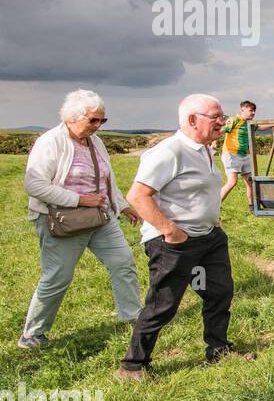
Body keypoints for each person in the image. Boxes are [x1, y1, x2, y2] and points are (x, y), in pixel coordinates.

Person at [118, 94, 255, 381]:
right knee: (164, 303)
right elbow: (137, 196)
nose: (223, 121)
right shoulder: (169, 151)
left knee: (218, 292)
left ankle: (218, 349)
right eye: (216, 117)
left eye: (223, 116)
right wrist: (171, 231)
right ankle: (133, 366)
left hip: (209, 239)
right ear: (193, 120)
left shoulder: (205, 148)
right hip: (175, 244)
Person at [20, 90, 143, 350]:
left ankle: (133, 317)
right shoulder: (50, 142)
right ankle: (32, 335)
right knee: (58, 277)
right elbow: (34, 184)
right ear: (72, 118)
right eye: (93, 121)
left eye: (102, 121)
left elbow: (105, 179)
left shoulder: (94, 141)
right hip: (62, 220)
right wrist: (79, 199)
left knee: (123, 263)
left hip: (101, 217)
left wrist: (121, 205)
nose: (98, 126)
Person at [217, 100, 256, 206]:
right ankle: (214, 207)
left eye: (254, 111)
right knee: (232, 182)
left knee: (250, 182)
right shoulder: (234, 120)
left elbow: (260, 127)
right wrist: (213, 141)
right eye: (251, 110)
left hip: (245, 155)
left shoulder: (249, 123)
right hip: (231, 154)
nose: (253, 113)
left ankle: (252, 205)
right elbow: (222, 131)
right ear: (242, 109)